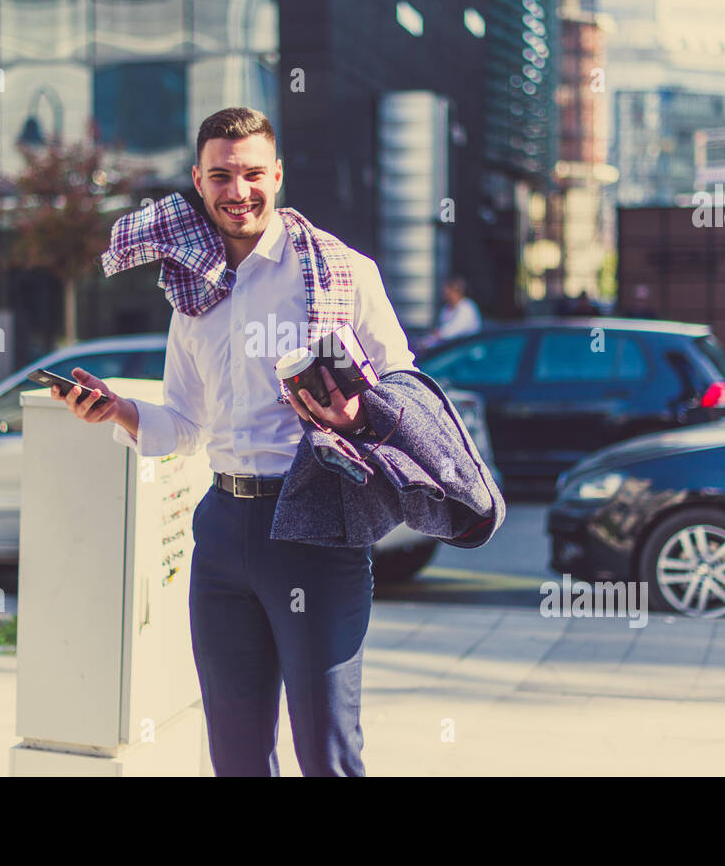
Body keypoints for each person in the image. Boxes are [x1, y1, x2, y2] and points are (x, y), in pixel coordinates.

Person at [51, 106, 416, 776]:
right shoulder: (192, 289)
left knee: (327, 751)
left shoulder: (343, 271)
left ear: (277, 175)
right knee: (236, 757)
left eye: (252, 173)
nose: (238, 190)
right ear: (198, 179)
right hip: (223, 532)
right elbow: (186, 426)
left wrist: (353, 412)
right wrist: (120, 411)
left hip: (317, 524)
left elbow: (405, 390)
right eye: (221, 175)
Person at [421, 276, 481, 348]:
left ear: (455, 291)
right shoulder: (446, 308)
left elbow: (451, 332)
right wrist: (426, 341)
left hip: (466, 349)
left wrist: (429, 340)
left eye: (447, 290)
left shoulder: (467, 307)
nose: (444, 293)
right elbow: (440, 329)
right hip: (451, 348)